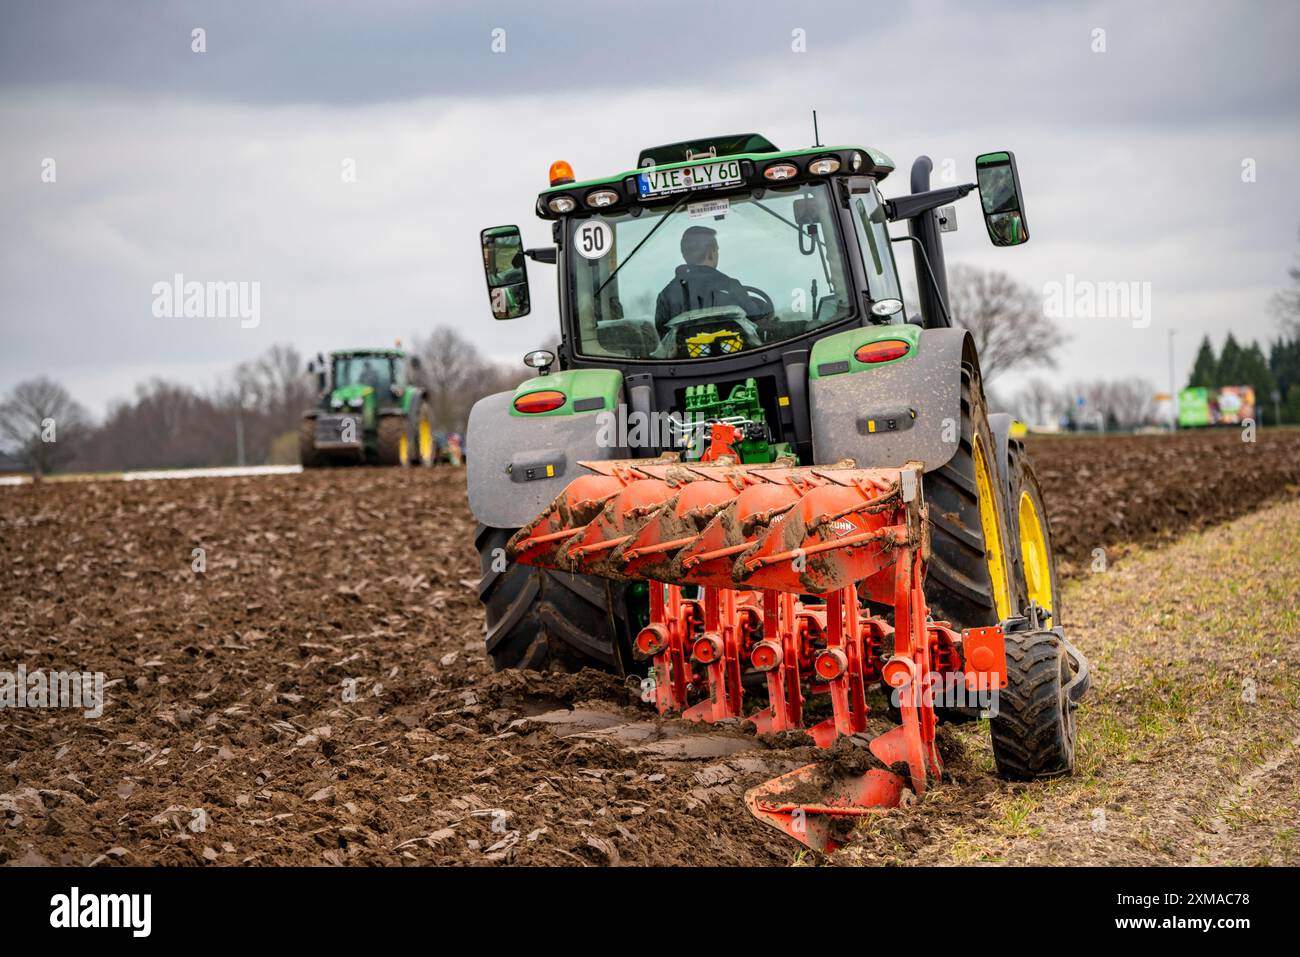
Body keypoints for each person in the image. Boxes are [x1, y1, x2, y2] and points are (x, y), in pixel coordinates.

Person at [654, 225, 761, 336]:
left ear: (684, 253)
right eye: (717, 249)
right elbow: (757, 324)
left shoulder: (666, 295)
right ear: (711, 251)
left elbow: (664, 339)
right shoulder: (731, 285)